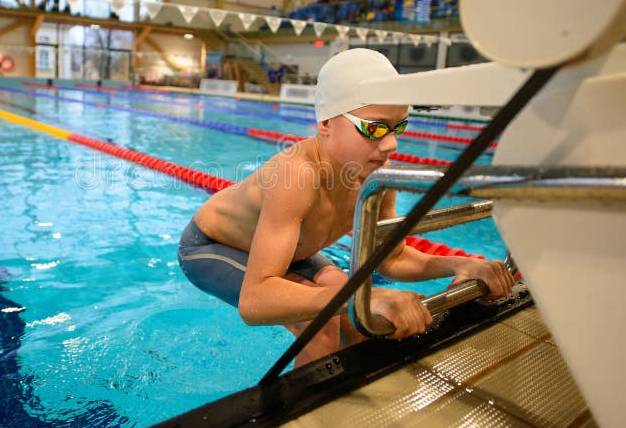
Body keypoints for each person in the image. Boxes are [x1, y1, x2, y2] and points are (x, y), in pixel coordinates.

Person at [178, 49, 514, 367]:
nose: (391, 143)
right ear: (325, 123)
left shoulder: (376, 176)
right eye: (374, 128)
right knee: (321, 323)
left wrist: (462, 265)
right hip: (211, 246)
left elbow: (392, 258)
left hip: (291, 252)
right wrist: (360, 298)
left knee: (354, 319)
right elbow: (255, 302)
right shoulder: (296, 174)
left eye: (398, 127)